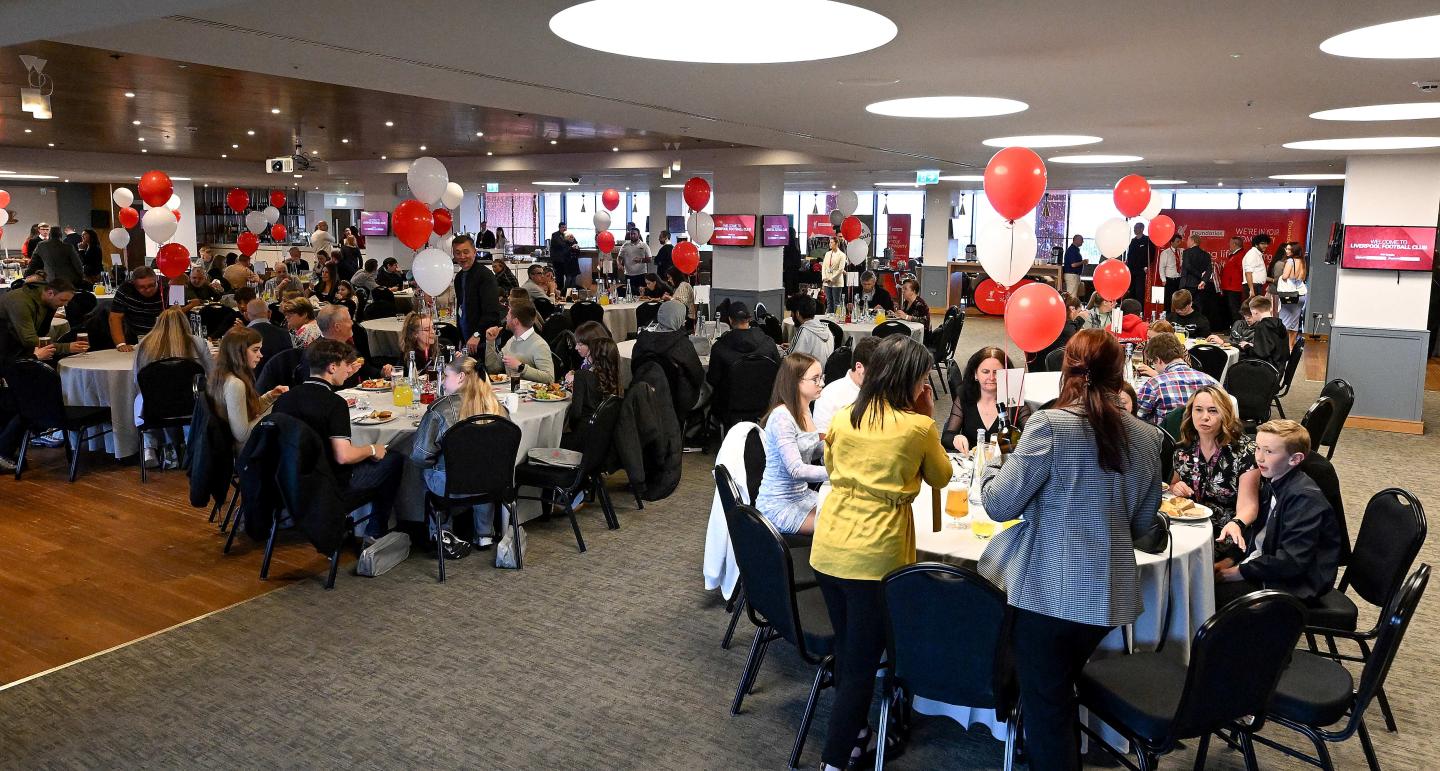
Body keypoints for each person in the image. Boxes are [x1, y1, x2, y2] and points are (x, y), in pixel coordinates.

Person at [977, 329, 1166, 771]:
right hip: (1108, 596)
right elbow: (1141, 526)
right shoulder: (1146, 438)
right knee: (1054, 691)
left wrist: (991, 471)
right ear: (1119, 374)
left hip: (1049, 592)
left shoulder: (1050, 425)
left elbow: (1000, 504)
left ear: (1067, 367)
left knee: (1049, 707)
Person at [810, 335, 950, 771]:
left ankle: (854, 737)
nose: (926, 387)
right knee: (860, 665)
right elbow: (941, 477)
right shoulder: (917, 427)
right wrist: (926, 418)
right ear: (910, 382)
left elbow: (832, 470)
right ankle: (835, 758)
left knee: (851, 650)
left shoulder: (847, 416)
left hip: (829, 545)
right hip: (874, 556)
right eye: (923, 380)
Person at [270, 338, 402, 542]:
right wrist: (373, 449)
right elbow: (343, 456)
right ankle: (376, 530)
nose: (348, 371)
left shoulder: (284, 399)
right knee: (393, 459)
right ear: (332, 367)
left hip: (286, 483)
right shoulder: (334, 403)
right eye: (345, 365)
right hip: (328, 488)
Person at [1214, 419, 1343, 607]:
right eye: (1257, 448)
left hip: (1294, 585)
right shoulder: (1274, 481)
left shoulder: (1304, 499)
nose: (1259, 457)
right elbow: (1258, 533)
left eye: (1269, 451)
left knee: (1208, 597)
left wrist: (1239, 572)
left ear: (1295, 459)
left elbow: (1291, 561)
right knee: (1203, 584)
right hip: (1270, 568)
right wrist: (1228, 560)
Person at [411, 355, 508, 548]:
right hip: (492, 482)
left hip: (450, 486)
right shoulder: (498, 407)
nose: (443, 382)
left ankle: (442, 531)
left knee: (424, 471)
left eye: (446, 376)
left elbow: (420, 455)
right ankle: (484, 534)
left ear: (461, 377)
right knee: (482, 467)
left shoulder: (440, 409)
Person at [0, 279, 88, 471]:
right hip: (8, 358)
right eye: (62, 300)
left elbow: (40, 334)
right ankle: (3, 452)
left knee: (21, 404)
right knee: (23, 404)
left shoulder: (42, 302)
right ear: (49, 293)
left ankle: (6, 450)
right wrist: (66, 347)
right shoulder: (20, 303)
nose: (63, 306)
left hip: (14, 357)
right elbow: (31, 339)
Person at [1169, 385, 1259, 536]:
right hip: (1189, 525)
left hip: (1228, 532)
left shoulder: (1245, 452)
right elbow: (1173, 485)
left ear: (1225, 414)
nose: (1204, 417)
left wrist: (1236, 524)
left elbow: (1249, 506)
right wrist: (1176, 487)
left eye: (1213, 410)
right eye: (1198, 410)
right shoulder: (1184, 449)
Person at [754, 353, 828, 535]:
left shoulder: (804, 409)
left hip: (802, 495)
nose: (822, 384)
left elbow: (812, 451)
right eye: (815, 379)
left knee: (849, 514)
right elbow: (796, 470)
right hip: (778, 505)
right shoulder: (782, 417)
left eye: (822, 378)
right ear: (796, 382)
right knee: (838, 527)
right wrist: (840, 473)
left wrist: (837, 443)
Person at [132, 307, 213, 469]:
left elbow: (137, 379)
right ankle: (191, 445)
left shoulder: (145, 344)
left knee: (139, 399)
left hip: (156, 407)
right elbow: (210, 374)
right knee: (195, 397)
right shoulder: (197, 342)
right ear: (185, 323)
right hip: (190, 404)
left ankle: (150, 447)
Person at [209, 327, 288, 451]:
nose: (260, 355)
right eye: (255, 350)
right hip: (244, 454)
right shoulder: (235, 384)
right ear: (238, 352)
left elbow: (246, 411)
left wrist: (270, 397)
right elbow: (243, 435)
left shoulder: (223, 375)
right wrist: (277, 408)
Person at [942, 346, 1031, 452]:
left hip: (1005, 464)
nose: (991, 377)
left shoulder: (1014, 401)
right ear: (975, 374)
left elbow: (1033, 437)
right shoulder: (964, 397)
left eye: (996, 372)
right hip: (972, 463)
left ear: (1006, 375)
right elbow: (946, 436)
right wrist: (955, 438)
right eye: (985, 372)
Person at [1133, 332, 1219, 424]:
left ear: (1158, 360)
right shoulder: (1212, 382)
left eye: (1153, 363)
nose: (1154, 367)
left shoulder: (1154, 384)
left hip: (1165, 437)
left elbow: (1136, 419)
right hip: (1203, 436)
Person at [813, 335, 879, 437]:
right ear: (859, 367)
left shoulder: (886, 390)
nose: (883, 377)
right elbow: (823, 440)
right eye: (878, 372)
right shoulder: (830, 395)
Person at [563, 321, 621, 435]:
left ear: (592, 346)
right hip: (606, 433)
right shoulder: (611, 365)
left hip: (584, 434)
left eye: (580, 344)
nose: (576, 347)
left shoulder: (583, 375)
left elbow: (575, 416)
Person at [706, 305, 780, 393]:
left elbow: (712, 379)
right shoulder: (769, 343)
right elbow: (778, 372)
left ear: (730, 320)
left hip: (729, 402)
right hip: (764, 400)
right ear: (749, 319)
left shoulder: (719, 347)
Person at [452, 235, 504, 356]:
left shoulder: (485, 276)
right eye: (457, 253)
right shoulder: (459, 277)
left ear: (474, 252)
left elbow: (492, 312)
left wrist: (477, 334)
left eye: (466, 252)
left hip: (483, 340)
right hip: (466, 339)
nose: (462, 257)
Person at [483, 302, 555, 384]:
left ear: (515, 321)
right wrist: (490, 341)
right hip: (509, 393)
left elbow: (550, 378)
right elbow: (493, 368)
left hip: (529, 394)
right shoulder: (512, 340)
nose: (506, 318)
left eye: (508, 316)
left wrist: (521, 367)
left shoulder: (539, 345)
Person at [1219, 295, 1289, 374]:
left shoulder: (1262, 327)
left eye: (1251, 313)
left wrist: (1247, 346)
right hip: (1279, 368)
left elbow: (1260, 355)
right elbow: (1272, 348)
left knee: (1232, 369)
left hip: (1266, 371)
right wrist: (1254, 346)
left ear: (1255, 312)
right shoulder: (1280, 325)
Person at [109, 267, 165, 351]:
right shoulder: (125, 289)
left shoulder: (166, 287)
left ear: (156, 280)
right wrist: (121, 344)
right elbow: (115, 317)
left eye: (151, 285)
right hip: (135, 340)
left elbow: (177, 313)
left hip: (163, 338)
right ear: (134, 284)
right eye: (142, 287)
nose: (148, 290)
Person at [244, 298, 291, 370]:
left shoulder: (240, 337)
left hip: (249, 380)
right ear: (269, 313)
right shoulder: (285, 334)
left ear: (246, 315)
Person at [1274, 242, 1308, 341]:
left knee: (1284, 321)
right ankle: (1291, 346)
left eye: (1289, 249)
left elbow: (1285, 276)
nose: (1287, 251)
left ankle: (1282, 345)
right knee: (1295, 322)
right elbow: (1302, 277)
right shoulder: (1302, 261)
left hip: (1289, 295)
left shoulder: (1290, 261)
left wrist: (1281, 277)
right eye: (1286, 249)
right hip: (1301, 294)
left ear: (1294, 250)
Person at [787, 294, 833, 363]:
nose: (791, 316)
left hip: (807, 372)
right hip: (822, 372)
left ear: (797, 313)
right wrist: (793, 345)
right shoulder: (826, 329)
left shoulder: (804, 331)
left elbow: (790, 361)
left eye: (792, 313)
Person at [399, 311, 439, 377]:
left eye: (433, 328)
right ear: (415, 334)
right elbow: (400, 376)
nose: (432, 332)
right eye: (427, 330)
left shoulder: (440, 350)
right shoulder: (408, 355)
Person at [1217, 235, 1246, 325]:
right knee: (1230, 309)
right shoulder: (1234, 255)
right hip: (1229, 287)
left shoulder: (1241, 255)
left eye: (1230, 243)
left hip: (1235, 287)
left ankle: (1236, 328)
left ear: (1234, 244)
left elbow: (1243, 271)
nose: (1228, 245)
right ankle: (1231, 327)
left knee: (1235, 309)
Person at [1124, 220, 1155, 302]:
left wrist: (1146, 266)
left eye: (1136, 228)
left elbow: (1151, 255)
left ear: (1142, 229)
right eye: (1134, 228)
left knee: (1140, 291)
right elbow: (1129, 255)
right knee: (1132, 291)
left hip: (1141, 271)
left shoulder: (1147, 240)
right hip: (1131, 270)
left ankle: (1140, 310)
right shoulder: (1133, 241)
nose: (1134, 230)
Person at [619, 227, 653, 294]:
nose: (632, 235)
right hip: (628, 274)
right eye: (631, 234)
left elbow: (650, 259)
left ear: (638, 234)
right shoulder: (625, 245)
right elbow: (619, 257)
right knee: (629, 292)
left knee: (641, 293)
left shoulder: (644, 245)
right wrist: (619, 264)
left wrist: (640, 260)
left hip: (641, 274)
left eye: (634, 234)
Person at [1242, 233, 1273, 300]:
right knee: (1252, 309)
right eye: (1262, 244)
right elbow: (1248, 273)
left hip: (1255, 287)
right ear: (1256, 244)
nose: (1265, 246)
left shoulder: (1257, 254)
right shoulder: (1252, 254)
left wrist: (1273, 280)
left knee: (1255, 309)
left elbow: (1257, 274)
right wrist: (1251, 290)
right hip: (1253, 287)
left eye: (1266, 243)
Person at [820, 237, 846, 313]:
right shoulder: (827, 254)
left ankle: (837, 318)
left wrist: (831, 279)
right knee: (829, 302)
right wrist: (824, 278)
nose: (830, 244)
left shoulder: (842, 255)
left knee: (836, 302)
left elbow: (841, 269)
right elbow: (824, 267)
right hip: (826, 281)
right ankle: (829, 318)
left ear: (837, 243)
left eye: (832, 242)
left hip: (836, 281)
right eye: (829, 242)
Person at [1158, 233, 1183, 310]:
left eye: (1180, 241)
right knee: (1168, 300)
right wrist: (1163, 279)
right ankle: (1168, 317)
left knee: (1179, 300)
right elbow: (1161, 267)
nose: (1179, 243)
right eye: (1177, 241)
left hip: (1179, 279)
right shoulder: (1165, 253)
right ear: (1172, 242)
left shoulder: (1182, 251)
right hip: (1169, 280)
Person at [550, 222, 576, 292]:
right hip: (558, 260)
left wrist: (572, 241)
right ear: (559, 228)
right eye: (562, 227)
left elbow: (575, 242)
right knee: (559, 277)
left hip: (567, 261)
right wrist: (569, 242)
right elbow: (561, 245)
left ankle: (567, 292)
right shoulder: (555, 235)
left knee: (569, 277)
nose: (564, 229)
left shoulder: (568, 234)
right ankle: (559, 292)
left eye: (565, 227)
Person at [1061, 234, 1085, 300]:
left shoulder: (1075, 250)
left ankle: (1072, 309)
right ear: (1077, 240)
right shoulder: (1072, 250)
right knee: (1072, 296)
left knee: (1074, 296)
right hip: (1071, 275)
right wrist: (1083, 262)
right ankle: (1069, 309)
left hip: (1074, 275)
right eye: (1081, 240)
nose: (1083, 242)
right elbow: (1073, 265)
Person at [783, 227, 804, 295]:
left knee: (789, 284)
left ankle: (789, 298)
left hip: (789, 266)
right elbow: (798, 253)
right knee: (795, 283)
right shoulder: (796, 241)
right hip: (795, 266)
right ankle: (795, 297)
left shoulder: (787, 241)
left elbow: (786, 254)